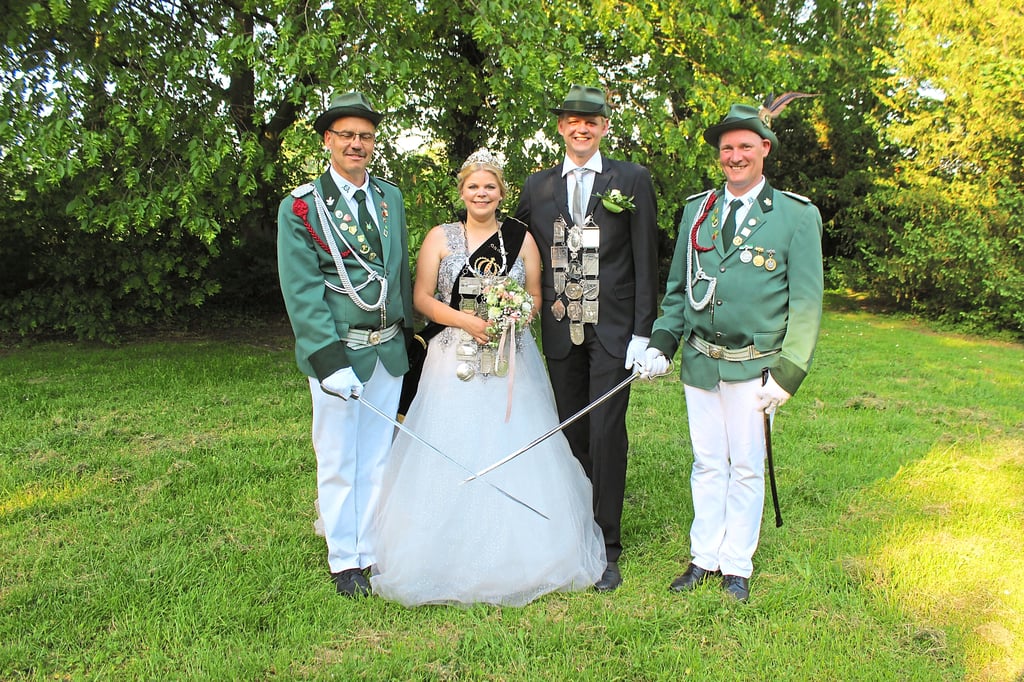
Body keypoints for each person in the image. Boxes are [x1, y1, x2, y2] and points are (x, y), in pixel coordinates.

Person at [370, 149, 606, 607]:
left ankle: (529, 551)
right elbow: (421, 297)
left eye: (490, 187)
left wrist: (514, 315)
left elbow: (536, 295)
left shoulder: (522, 239)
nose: (482, 193)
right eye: (474, 186)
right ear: (462, 191)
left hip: (509, 357)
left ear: (501, 193)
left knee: (511, 441)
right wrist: (466, 321)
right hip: (451, 356)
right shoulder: (439, 237)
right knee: (450, 445)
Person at [642, 102, 824, 602]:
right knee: (706, 462)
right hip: (701, 360)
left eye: (746, 146)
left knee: (745, 464)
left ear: (765, 149)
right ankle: (704, 557)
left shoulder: (795, 216)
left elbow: (806, 302)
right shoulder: (696, 210)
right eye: (728, 148)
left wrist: (788, 373)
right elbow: (679, 290)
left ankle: (737, 564)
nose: (736, 156)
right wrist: (662, 343)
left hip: (757, 366)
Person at [511, 85, 659, 592]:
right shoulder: (537, 186)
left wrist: (645, 331)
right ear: (560, 127)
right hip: (558, 325)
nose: (582, 128)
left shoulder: (632, 180)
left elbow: (645, 259)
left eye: (591, 121)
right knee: (569, 430)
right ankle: (574, 529)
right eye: (573, 120)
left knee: (605, 430)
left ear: (604, 127)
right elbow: (516, 250)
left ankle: (607, 543)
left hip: (614, 329)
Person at [277, 91, 414, 598]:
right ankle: (344, 560)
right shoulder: (302, 207)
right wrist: (326, 360)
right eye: (347, 135)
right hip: (341, 352)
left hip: (387, 347)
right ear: (327, 140)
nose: (357, 144)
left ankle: (373, 547)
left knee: (378, 454)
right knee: (338, 458)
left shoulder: (389, 198)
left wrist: (411, 337)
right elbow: (302, 289)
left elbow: (397, 272)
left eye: (366, 136)